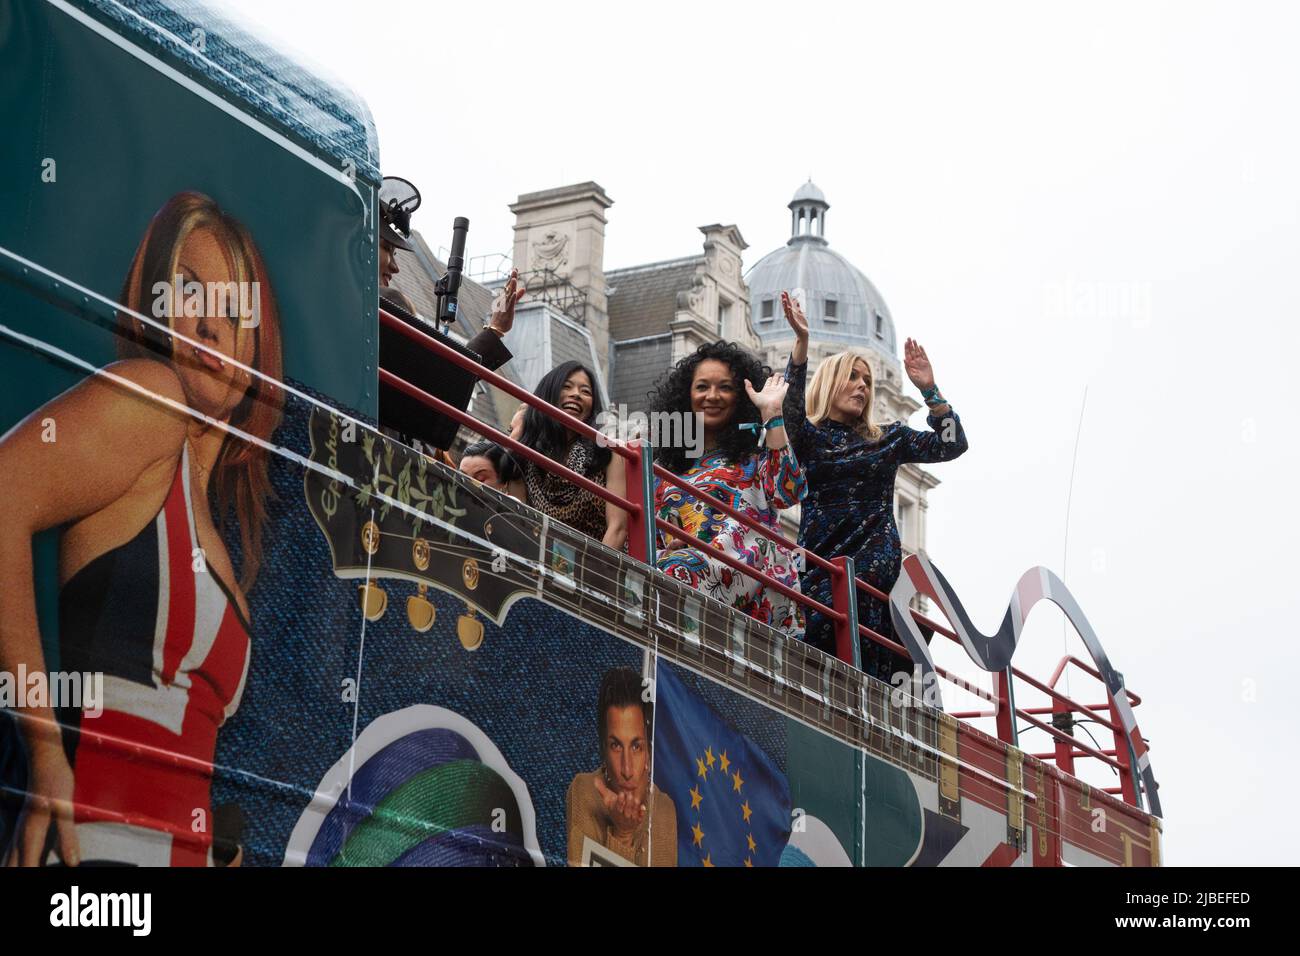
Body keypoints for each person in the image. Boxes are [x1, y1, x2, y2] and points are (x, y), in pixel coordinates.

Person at [0, 191, 283, 865]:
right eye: (187, 288)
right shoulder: (151, 400)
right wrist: (43, 750)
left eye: (232, 304)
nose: (209, 323)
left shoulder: (215, 532)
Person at [778, 291, 968, 682]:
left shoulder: (888, 438)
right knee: (818, 636)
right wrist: (801, 343)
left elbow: (952, 445)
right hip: (821, 557)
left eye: (867, 380)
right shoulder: (811, 438)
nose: (862, 386)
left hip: (872, 561)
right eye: (852, 376)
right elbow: (789, 410)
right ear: (830, 383)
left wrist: (931, 393)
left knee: (857, 620)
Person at [648, 342, 806, 637]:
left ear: (740, 398)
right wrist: (667, 549)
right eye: (702, 387)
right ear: (686, 396)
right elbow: (649, 536)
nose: (712, 396)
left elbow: (788, 493)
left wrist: (772, 413)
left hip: (749, 585)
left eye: (725, 388)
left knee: (673, 571)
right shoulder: (663, 471)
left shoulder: (755, 459)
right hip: (679, 574)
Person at [377, 175, 526, 448]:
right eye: (388, 248)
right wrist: (495, 329)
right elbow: (439, 384)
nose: (396, 267)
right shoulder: (388, 300)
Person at [506, 362, 628, 551]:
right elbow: (519, 520)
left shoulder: (607, 451)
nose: (576, 394)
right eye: (566, 386)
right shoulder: (527, 454)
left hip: (595, 564)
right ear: (549, 393)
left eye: (585, 391)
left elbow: (618, 528)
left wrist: (590, 575)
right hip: (538, 561)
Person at [566, 668, 676, 867]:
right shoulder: (585, 791)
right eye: (616, 746)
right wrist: (622, 835)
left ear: (649, 753)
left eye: (636, 746)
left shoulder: (664, 809)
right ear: (604, 752)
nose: (627, 769)